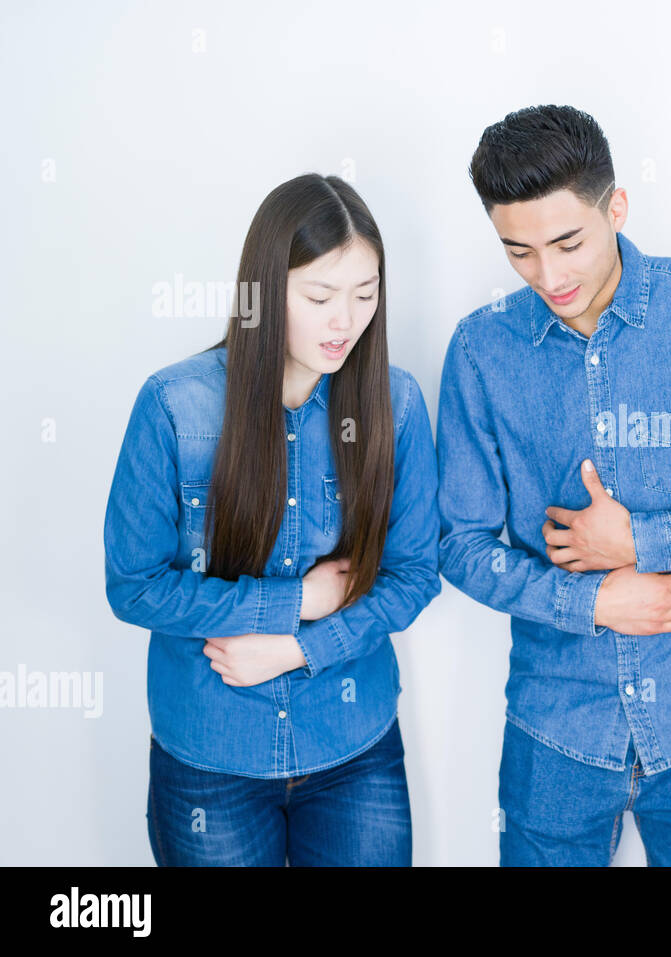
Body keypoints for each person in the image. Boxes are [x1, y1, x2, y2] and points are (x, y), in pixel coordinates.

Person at [437, 105, 671, 866]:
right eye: (518, 251)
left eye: (567, 242)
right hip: (557, 729)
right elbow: (459, 543)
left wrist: (642, 541)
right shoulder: (481, 349)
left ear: (616, 206)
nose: (549, 276)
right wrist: (593, 600)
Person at [104, 173, 441, 866]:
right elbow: (133, 585)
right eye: (319, 297)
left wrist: (298, 645)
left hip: (353, 749)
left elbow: (414, 577)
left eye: (365, 294)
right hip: (210, 756)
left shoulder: (396, 405)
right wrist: (297, 600)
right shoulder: (175, 407)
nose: (345, 321)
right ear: (263, 292)